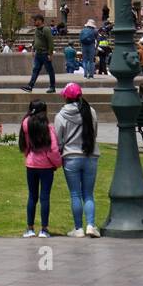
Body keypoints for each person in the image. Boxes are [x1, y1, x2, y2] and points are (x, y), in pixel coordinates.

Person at [54, 83, 101, 238]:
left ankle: (78, 228)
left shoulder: (61, 116)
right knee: (88, 194)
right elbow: (95, 133)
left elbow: (58, 140)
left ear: (66, 97)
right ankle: (90, 225)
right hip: (90, 155)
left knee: (75, 194)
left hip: (71, 156)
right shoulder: (91, 112)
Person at [19, 99, 62, 238]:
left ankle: (30, 228)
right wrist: (57, 163)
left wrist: (28, 155)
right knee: (45, 197)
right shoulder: (48, 127)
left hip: (31, 163)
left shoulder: (26, 124)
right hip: (46, 166)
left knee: (32, 196)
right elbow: (53, 149)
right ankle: (44, 229)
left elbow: (25, 144)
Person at [23, 14, 57, 94]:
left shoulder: (46, 30)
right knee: (35, 70)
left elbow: (50, 42)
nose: (34, 22)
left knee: (50, 71)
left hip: (45, 54)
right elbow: (35, 39)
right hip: (38, 54)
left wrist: (50, 54)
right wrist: (33, 48)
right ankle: (30, 86)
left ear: (40, 21)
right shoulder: (37, 30)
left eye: (35, 20)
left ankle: (52, 87)